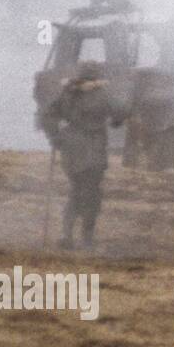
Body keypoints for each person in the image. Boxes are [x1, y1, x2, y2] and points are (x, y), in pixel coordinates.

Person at [38, 60, 128, 250]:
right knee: (91, 193)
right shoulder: (103, 94)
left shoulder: (68, 92)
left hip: (71, 147)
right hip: (93, 147)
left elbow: (47, 115)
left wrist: (54, 136)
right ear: (97, 76)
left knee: (76, 190)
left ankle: (67, 234)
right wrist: (116, 120)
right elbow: (120, 113)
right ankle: (86, 237)